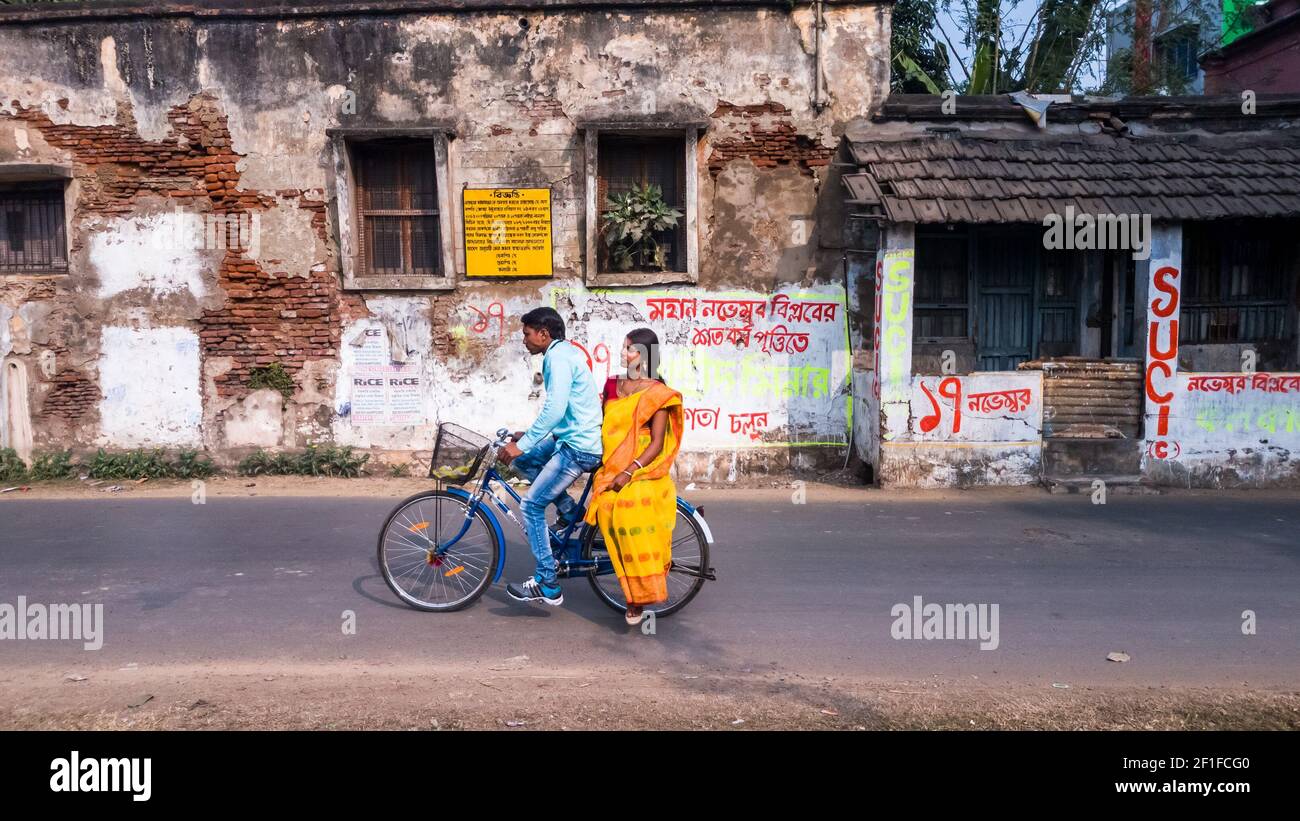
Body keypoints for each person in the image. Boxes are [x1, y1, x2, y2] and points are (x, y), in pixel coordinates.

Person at [498, 307, 603, 607]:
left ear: (544, 334)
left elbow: (555, 409)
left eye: (527, 334)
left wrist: (525, 441)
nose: (524, 341)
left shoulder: (557, 358)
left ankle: (547, 582)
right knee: (527, 461)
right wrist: (526, 439)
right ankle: (570, 512)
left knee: (531, 505)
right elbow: (562, 411)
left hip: (578, 447)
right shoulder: (561, 354)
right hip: (570, 437)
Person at [584, 328, 684, 625]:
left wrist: (629, 472)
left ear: (645, 355)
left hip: (641, 471)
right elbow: (605, 425)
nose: (623, 354)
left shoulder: (657, 393)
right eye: (624, 348)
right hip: (610, 462)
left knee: (627, 517)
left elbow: (656, 443)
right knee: (600, 510)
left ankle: (637, 598)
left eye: (630, 349)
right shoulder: (614, 386)